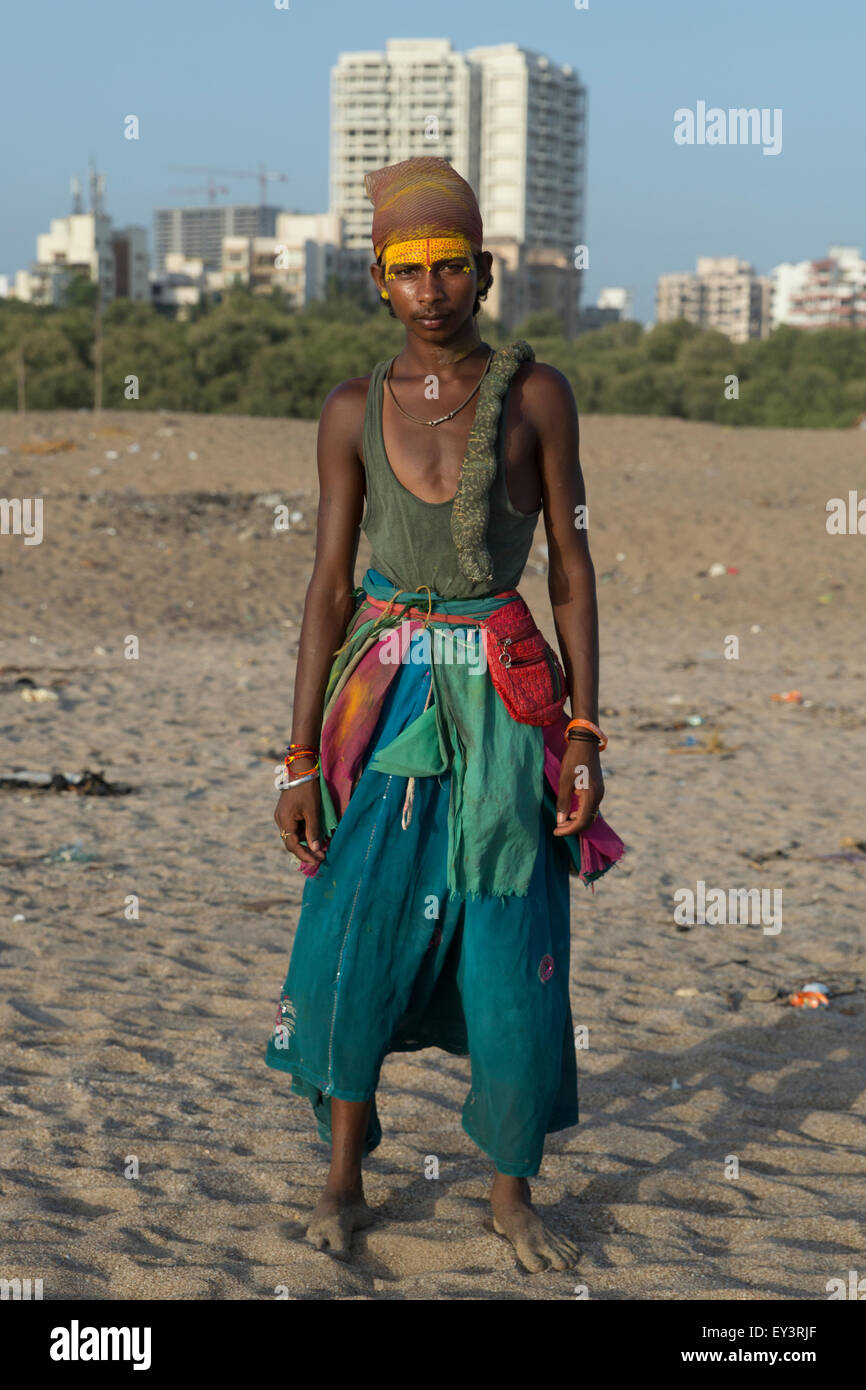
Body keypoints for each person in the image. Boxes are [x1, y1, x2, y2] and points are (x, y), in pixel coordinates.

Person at [266, 156, 623, 1273]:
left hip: (508, 699)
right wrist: (293, 758)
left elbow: (569, 563)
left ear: (483, 270)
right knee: (347, 932)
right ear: (377, 279)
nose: (430, 288)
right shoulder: (347, 410)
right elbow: (328, 585)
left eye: (450, 265)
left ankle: (509, 1195)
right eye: (407, 269)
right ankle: (341, 1177)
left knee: (511, 945)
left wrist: (580, 732)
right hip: (377, 702)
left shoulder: (536, 396)